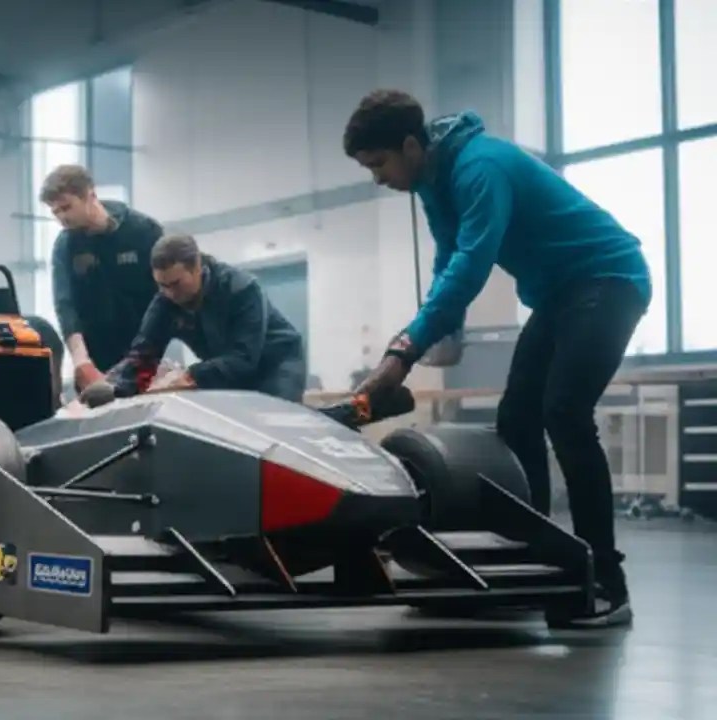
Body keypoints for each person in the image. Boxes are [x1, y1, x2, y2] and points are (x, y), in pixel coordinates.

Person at [342, 89, 651, 627]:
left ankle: (606, 580)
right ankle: (538, 556)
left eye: (378, 163)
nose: (376, 177)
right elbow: (447, 260)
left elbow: (473, 262)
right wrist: (444, 331)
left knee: (565, 414)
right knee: (516, 418)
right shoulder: (432, 182)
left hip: (609, 278)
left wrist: (401, 352)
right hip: (560, 293)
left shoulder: (480, 168)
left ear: (411, 145)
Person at [103, 234, 306, 401]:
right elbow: (144, 356)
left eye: (176, 284)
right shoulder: (164, 303)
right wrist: (115, 389)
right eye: (162, 285)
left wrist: (191, 375)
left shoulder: (242, 289)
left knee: (272, 422)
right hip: (229, 371)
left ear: (197, 267)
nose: (170, 293)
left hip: (277, 363)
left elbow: (243, 358)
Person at [44, 164, 164, 393]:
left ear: (90, 196)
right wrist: (81, 360)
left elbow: (166, 297)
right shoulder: (65, 246)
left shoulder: (144, 232)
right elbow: (65, 305)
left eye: (67, 207)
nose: (62, 217)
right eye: (55, 212)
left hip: (147, 355)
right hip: (96, 364)